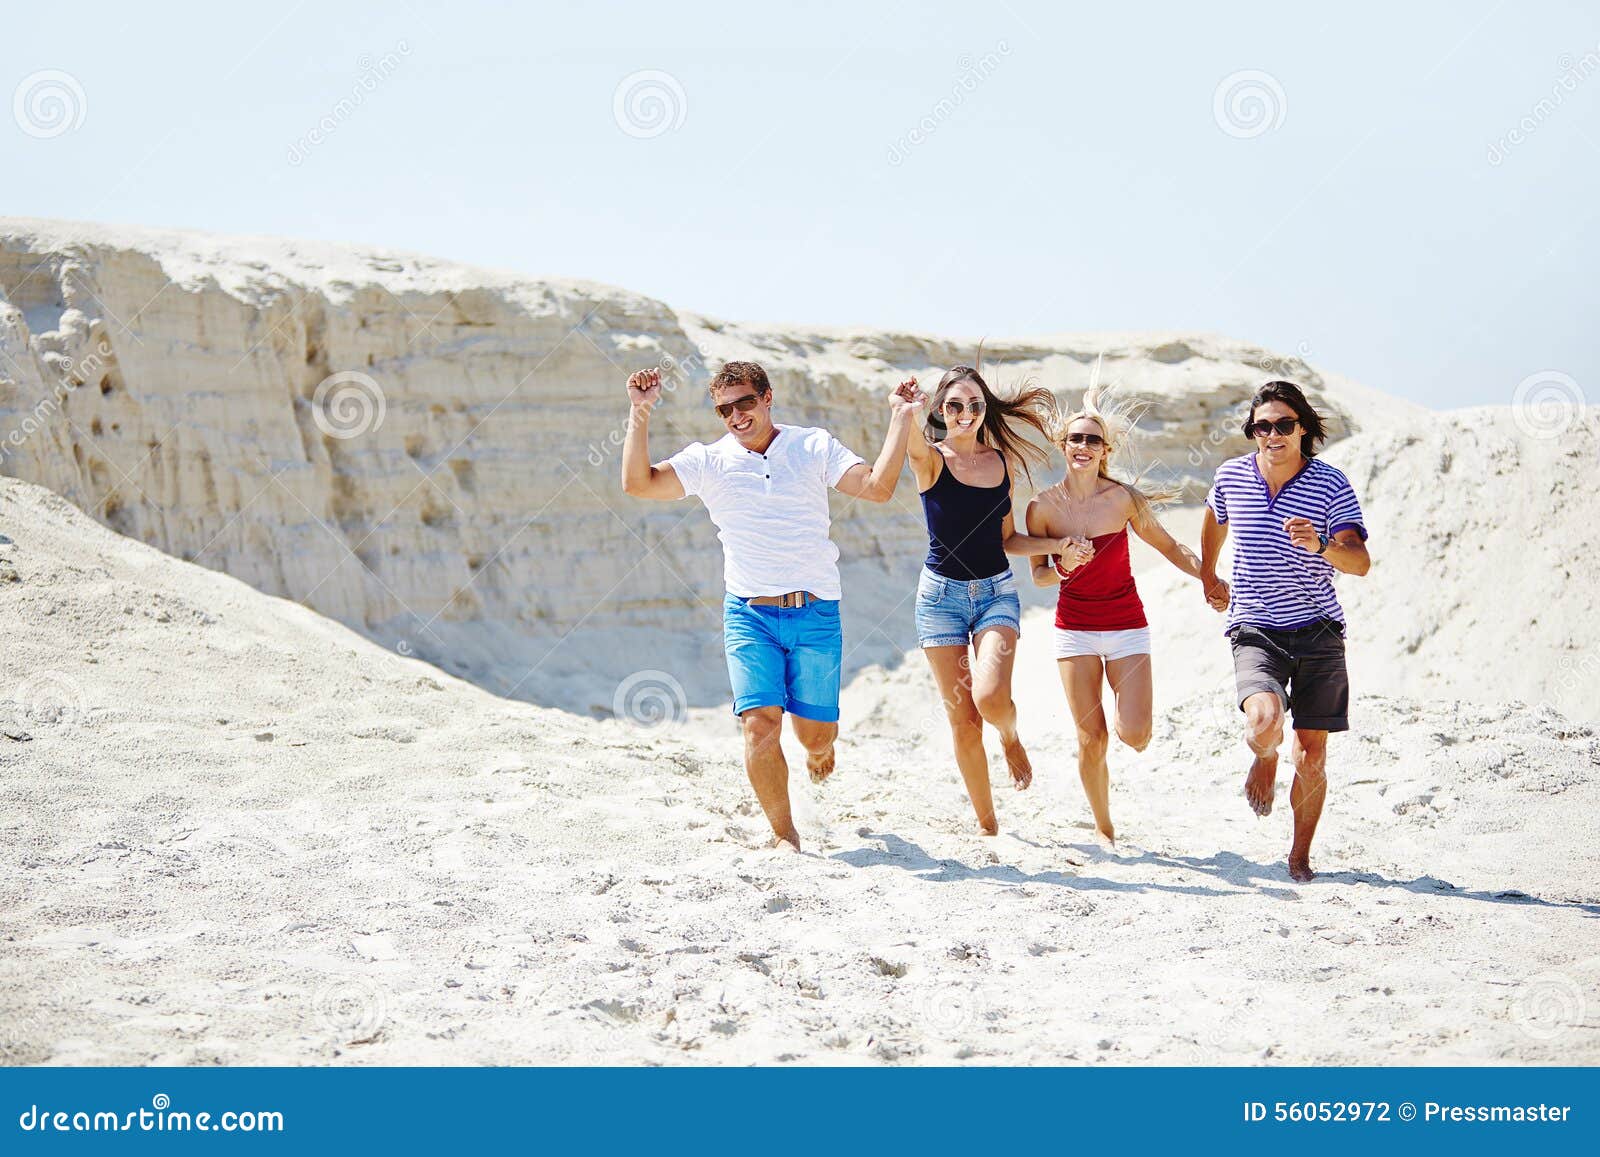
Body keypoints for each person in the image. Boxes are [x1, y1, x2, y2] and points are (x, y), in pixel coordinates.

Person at [621, 360, 917, 852]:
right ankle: (785, 836)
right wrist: (640, 413)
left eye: (745, 403)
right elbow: (638, 484)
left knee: (816, 738)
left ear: (767, 397)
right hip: (749, 615)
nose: (736, 416)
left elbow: (878, 489)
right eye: (724, 409)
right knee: (759, 725)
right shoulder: (708, 460)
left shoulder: (812, 445)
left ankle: (820, 751)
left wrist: (901, 418)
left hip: (816, 611)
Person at [1024, 385, 1224, 846]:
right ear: (1063, 445)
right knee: (1091, 740)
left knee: (1134, 735)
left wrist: (1208, 578)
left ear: (1105, 450)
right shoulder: (1042, 508)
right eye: (1076, 438)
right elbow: (1037, 576)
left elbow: (1169, 546)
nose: (1083, 447)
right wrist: (1061, 565)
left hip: (1127, 626)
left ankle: (1126, 719)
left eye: (1093, 440)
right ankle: (1104, 825)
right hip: (1074, 632)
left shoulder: (1124, 499)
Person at [1200, 379, 1371, 882]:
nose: (1272, 434)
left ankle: (1299, 856)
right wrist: (1209, 574)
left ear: (1302, 428)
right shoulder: (1231, 475)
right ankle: (1265, 758)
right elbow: (1214, 519)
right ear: (1252, 432)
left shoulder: (1331, 483)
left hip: (1319, 631)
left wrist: (1320, 545)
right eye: (1262, 426)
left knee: (1313, 755)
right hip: (1256, 628)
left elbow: (1359, 562)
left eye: (1283, 425)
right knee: (1263, 721)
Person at [901, 364, 1064, 835]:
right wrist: (907, 411)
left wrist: (1057, 546)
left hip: (995, 592)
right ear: (941, 411)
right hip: (939, 601)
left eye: (975, 404)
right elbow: (910, 441)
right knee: (964, 721)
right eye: (955, 405)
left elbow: (1009, 540)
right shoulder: (930, 460)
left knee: (991, 699)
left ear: (984, 409)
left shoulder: (1001, 465)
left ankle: (1010, 736)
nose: (965, 413)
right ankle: (988, 825)